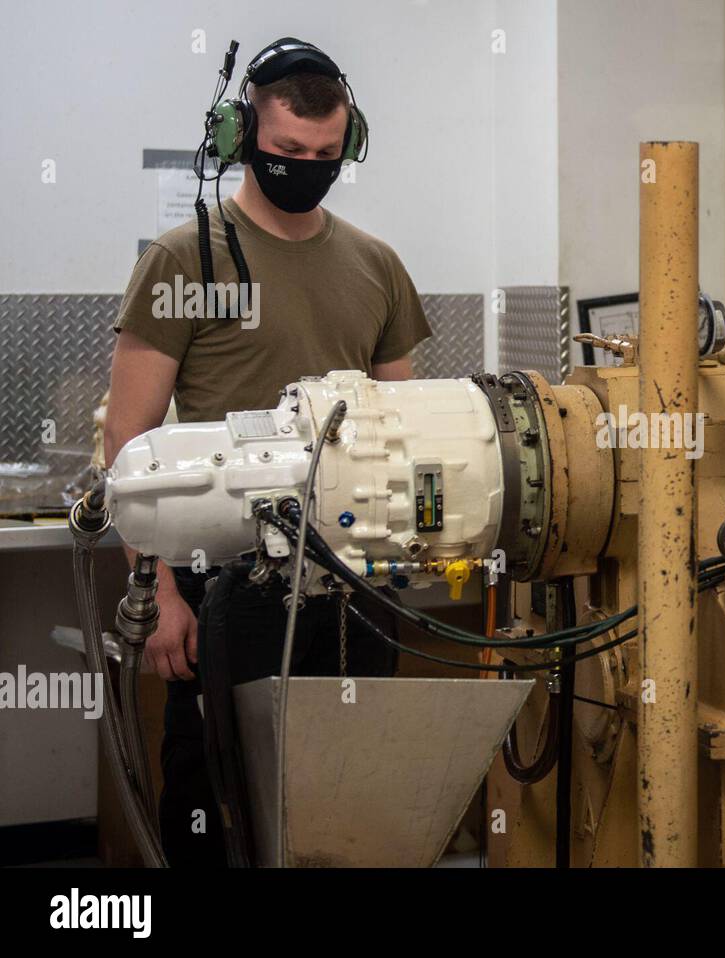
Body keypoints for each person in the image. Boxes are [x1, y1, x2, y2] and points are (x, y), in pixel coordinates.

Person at [103, 38, 431, 865]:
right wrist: (161, 590)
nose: (306, 166)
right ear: (241, 135)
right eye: (287, 151)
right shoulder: (185, 260)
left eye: (325, 155)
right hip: (227, 588)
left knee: (346, 800)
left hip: (351, 583)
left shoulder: (377, 266)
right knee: (217, 801)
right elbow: (127, 442)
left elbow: (404, 424)